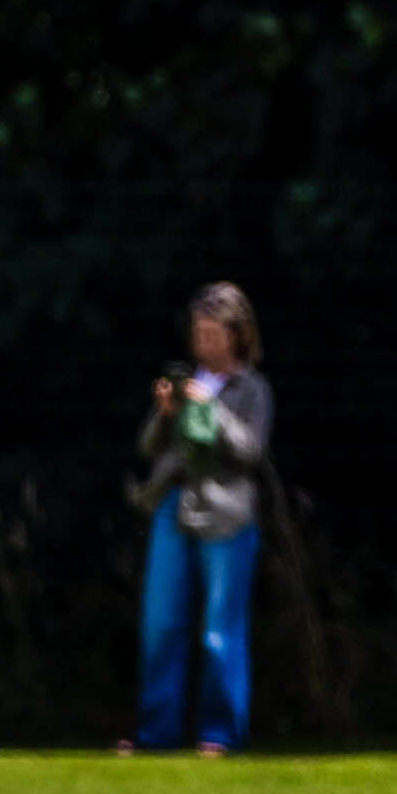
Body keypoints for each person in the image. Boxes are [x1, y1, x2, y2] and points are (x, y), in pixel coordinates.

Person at [124, 282, 275, 757]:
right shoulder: (185, 383)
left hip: (228, 516)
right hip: (174, 506)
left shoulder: (253, 389)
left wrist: (213, 409)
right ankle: (156, 734)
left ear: (237, 334)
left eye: (213, 333)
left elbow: (251, 452)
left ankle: (220, 734)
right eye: (198, 333)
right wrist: (167, 413)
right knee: (161, 624)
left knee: (219, 631)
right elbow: (148, 447)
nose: (204, 343)